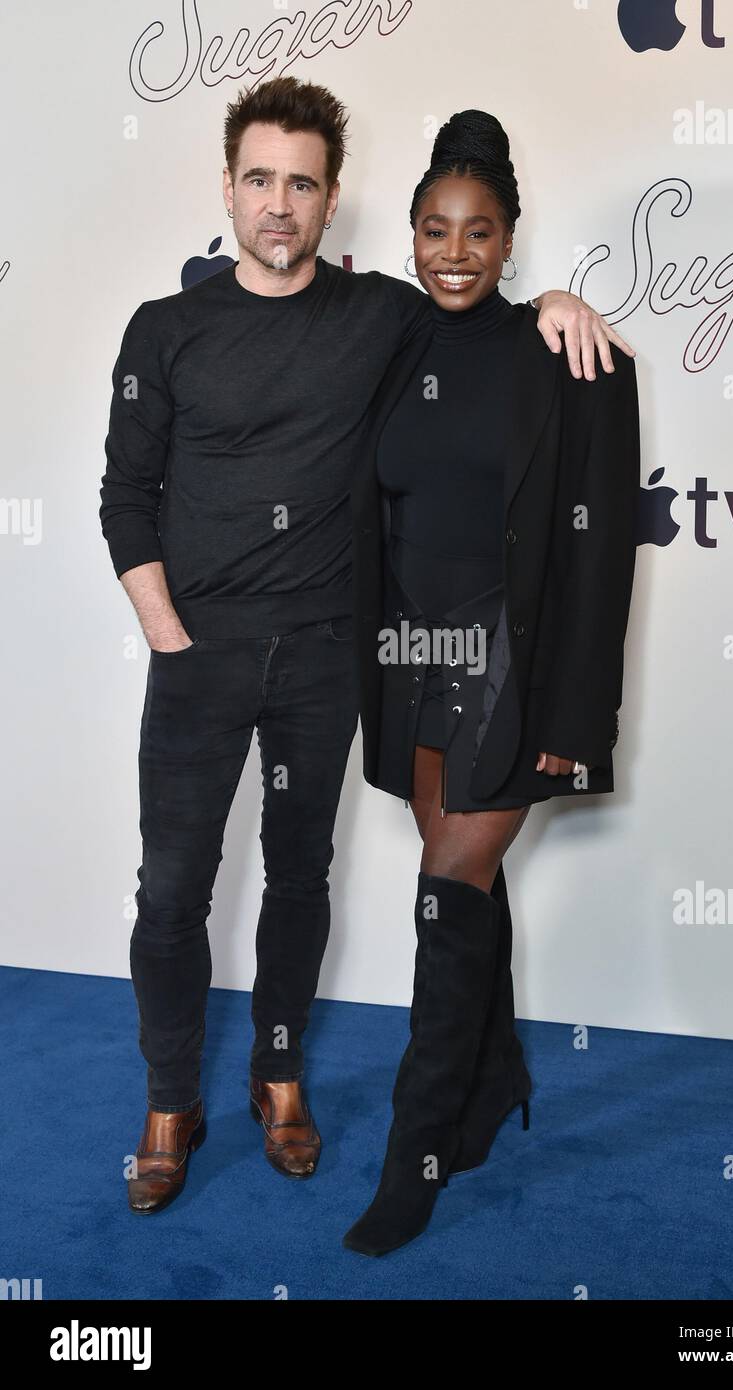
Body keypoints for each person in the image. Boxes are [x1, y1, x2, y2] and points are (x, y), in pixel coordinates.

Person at [99, 76, 633, 1215]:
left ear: (330, 199)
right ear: (229, 188)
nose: (279, 204)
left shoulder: (381, 317)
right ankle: (167, 1102)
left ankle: (280, 1078)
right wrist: (172, 635)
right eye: (259, 180)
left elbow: (476, 301)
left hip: (331, 658)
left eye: (301, 183)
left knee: (302, 877)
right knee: (169, 892)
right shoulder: (166, 329)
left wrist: (561, 301)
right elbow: (124, 497)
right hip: (199, 657)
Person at [344, 110, 641, 1256]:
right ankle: (495, 1076)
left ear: (510, 240)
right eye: (432, 229)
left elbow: (597, 560)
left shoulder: (573, 360)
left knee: (445, 893)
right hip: (413, 662)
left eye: (476, 231)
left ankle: (414, 1154)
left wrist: (574, 716)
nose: (452, 250)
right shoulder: (386, 343)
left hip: (512, 672)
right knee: (459, 888)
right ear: (411, 236)